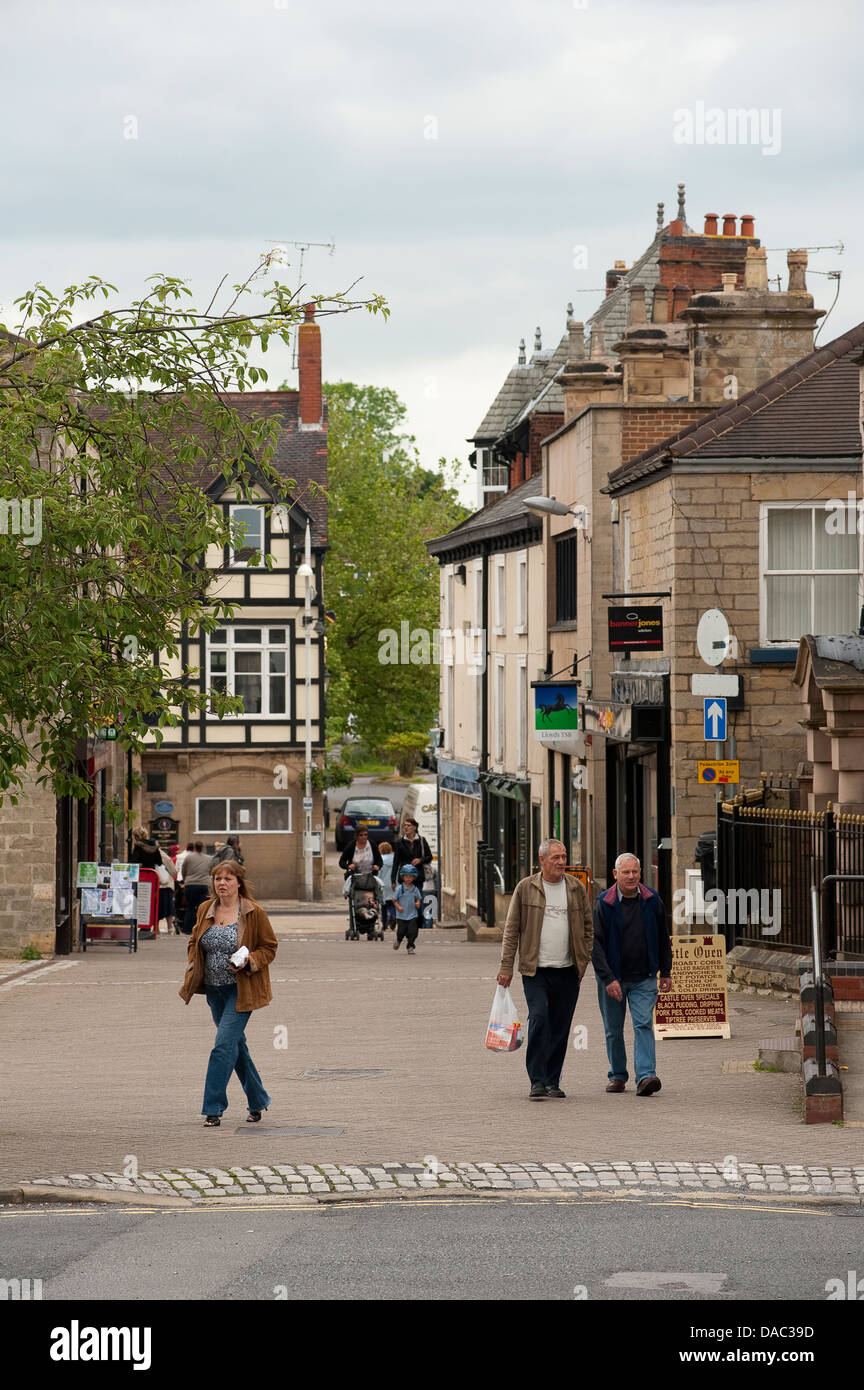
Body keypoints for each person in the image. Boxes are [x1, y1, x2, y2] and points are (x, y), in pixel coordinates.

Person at [179, 860, 277, 1127]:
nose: (222, 883)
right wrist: (193, 961)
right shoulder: (204, 909)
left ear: (239, 883)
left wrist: (250, 961)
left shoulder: (253, 912)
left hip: (241, 990)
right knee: (236, 1047)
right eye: (218, 879)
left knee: (222, 1045)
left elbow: (269, 947)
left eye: (228, 879)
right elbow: (193, 939)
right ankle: (258, 1101)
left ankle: (213, 1107)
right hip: (214, 990)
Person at [497, 839, 593, 1100]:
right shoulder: (526, 888)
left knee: (561, 1028)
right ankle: (536, 1080)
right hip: (535, 970)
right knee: (539, 1019)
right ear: (542, 860)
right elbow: (511, 930)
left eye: (563, 857)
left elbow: (587, 927)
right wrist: (506, 967)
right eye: (556, 858)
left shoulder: (575, 888)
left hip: (568, 970)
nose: (562, 862)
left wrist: (582, 959)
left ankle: (553, 1081)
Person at [592, 852, 673, 1096]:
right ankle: (617, 1075)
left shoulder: (652, 899)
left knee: (643, 1023)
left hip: (644, 976)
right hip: (612, 979)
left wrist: (666, 972)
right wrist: (608, 978)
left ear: (640, 873)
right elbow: (595, 945)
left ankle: (646, 1076)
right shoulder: (604, 903)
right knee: (613, 1030)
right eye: (626, 872)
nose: (631, 876)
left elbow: (662, 937)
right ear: (615, 874)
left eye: (635, 872)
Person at [179, 841, 214, 936]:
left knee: (190, 907)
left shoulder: (188, 857)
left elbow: (183, 870)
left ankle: (187, 929)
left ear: (194, 847)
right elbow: (211, 872)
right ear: (202, 848)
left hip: (190, 885)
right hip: (204, 885)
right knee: (202, 909)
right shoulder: (209, 859)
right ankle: (201, 928)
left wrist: (186, 880)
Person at [391, 818, 432, 892]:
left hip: (418, 877)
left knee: (418, 902)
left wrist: (420, 860)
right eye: (405, 825)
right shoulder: (399, 842)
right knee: (405, 902)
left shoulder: (422, 840)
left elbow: (429, 857)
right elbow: (396, 862)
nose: (406, 827)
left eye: (408, 825)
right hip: (404, 878)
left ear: (414, 827)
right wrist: (393, 880)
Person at [392, 866, 422, 953]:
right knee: (401, 931)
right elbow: (394, 900)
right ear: (403, 877)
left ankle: (410, 946)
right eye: (406, 876)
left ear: (413, 877)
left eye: (410, 876)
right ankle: (398, 940)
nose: (408, 878)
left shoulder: (415, 889)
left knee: (413, 932)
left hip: (412, 914)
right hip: (402, 915)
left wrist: (418, 903)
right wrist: (398, 907)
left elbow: (418, 899)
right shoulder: (399, 889)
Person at [377, 841, 397, 930]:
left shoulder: (380, 861)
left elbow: (378, 874)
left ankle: (384, 925)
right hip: (393, 885)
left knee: (383, 907)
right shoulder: (394, 859)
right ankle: (393, 916)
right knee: (392, 904)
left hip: (383, 885)